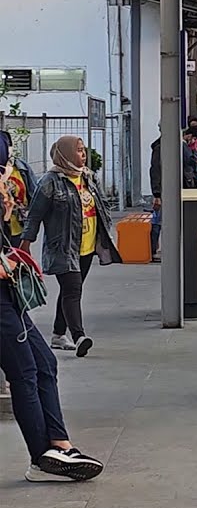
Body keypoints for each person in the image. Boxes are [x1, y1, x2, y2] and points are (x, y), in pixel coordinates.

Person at [0, 173, 105, 482]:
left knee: (45, 364)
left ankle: (60, 445)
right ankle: (40, 459)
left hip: (10, 300)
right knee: (24, 373)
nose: (9, 195)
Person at [20, 136, 122, 357]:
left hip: (85, 246)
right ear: (65, 154)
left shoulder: (87, 177)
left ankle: (58, 334)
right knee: (73, 290)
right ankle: (79, 336)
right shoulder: (50, 181)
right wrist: (26, 245)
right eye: (78, 150)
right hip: (62, 247)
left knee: (71, 290)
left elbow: (101, 206)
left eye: (83, 150)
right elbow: (35, 215)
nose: (83, 154)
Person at [149, 129, 197, 261]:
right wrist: (157, 193)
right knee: (159, 219)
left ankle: (155, 249)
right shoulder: (174, 146)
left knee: (160, 219)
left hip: (171, 187)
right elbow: (157, 170)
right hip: (169, 189)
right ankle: (153, 250)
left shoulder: (166, 145)